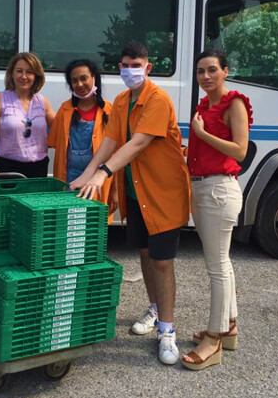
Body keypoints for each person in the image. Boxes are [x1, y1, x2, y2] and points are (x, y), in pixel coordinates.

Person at [71, 41, 191, 365]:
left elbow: (137, 143)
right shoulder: (122, 101)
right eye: (124, 65)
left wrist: (104, 173)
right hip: (135, 193)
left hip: (162, 194)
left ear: (148, 68)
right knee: (145, 254)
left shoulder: (158, 100)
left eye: (135, 65)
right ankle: (154, 308)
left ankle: (167, 332)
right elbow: (110, 140)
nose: (129, 71)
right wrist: (87, 172)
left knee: (163, 262)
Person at [180, 50, 251, 371]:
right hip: (201, 186)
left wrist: (202, 134)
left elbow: (240, 150)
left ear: (226, 70)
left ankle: (214, 338)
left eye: (212, 70)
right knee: (222, 262)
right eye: (200, 71)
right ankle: (231, 326)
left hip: (219, 189)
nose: (205, 76)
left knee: (217, 266)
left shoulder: (234, 103)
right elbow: (198, 151)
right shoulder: (204, 106)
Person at [0, 52, 55, 178]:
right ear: (12, 73)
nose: (24, 76)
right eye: (19, 71)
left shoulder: (42, 101)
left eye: (29, 72)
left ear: (36, 76)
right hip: (7, 169)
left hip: (38, 169)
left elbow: (60, 128)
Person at [48, 59, 114, 209]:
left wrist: (115, 191)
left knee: (93, 222)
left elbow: (116, 154)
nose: (79, 85)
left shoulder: (109, 111)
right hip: (68, 179)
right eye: (74, 81)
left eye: (84, 78)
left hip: (97, 178)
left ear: (94, 78)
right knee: (68, 222)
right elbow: (52, 142)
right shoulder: (64, 110)